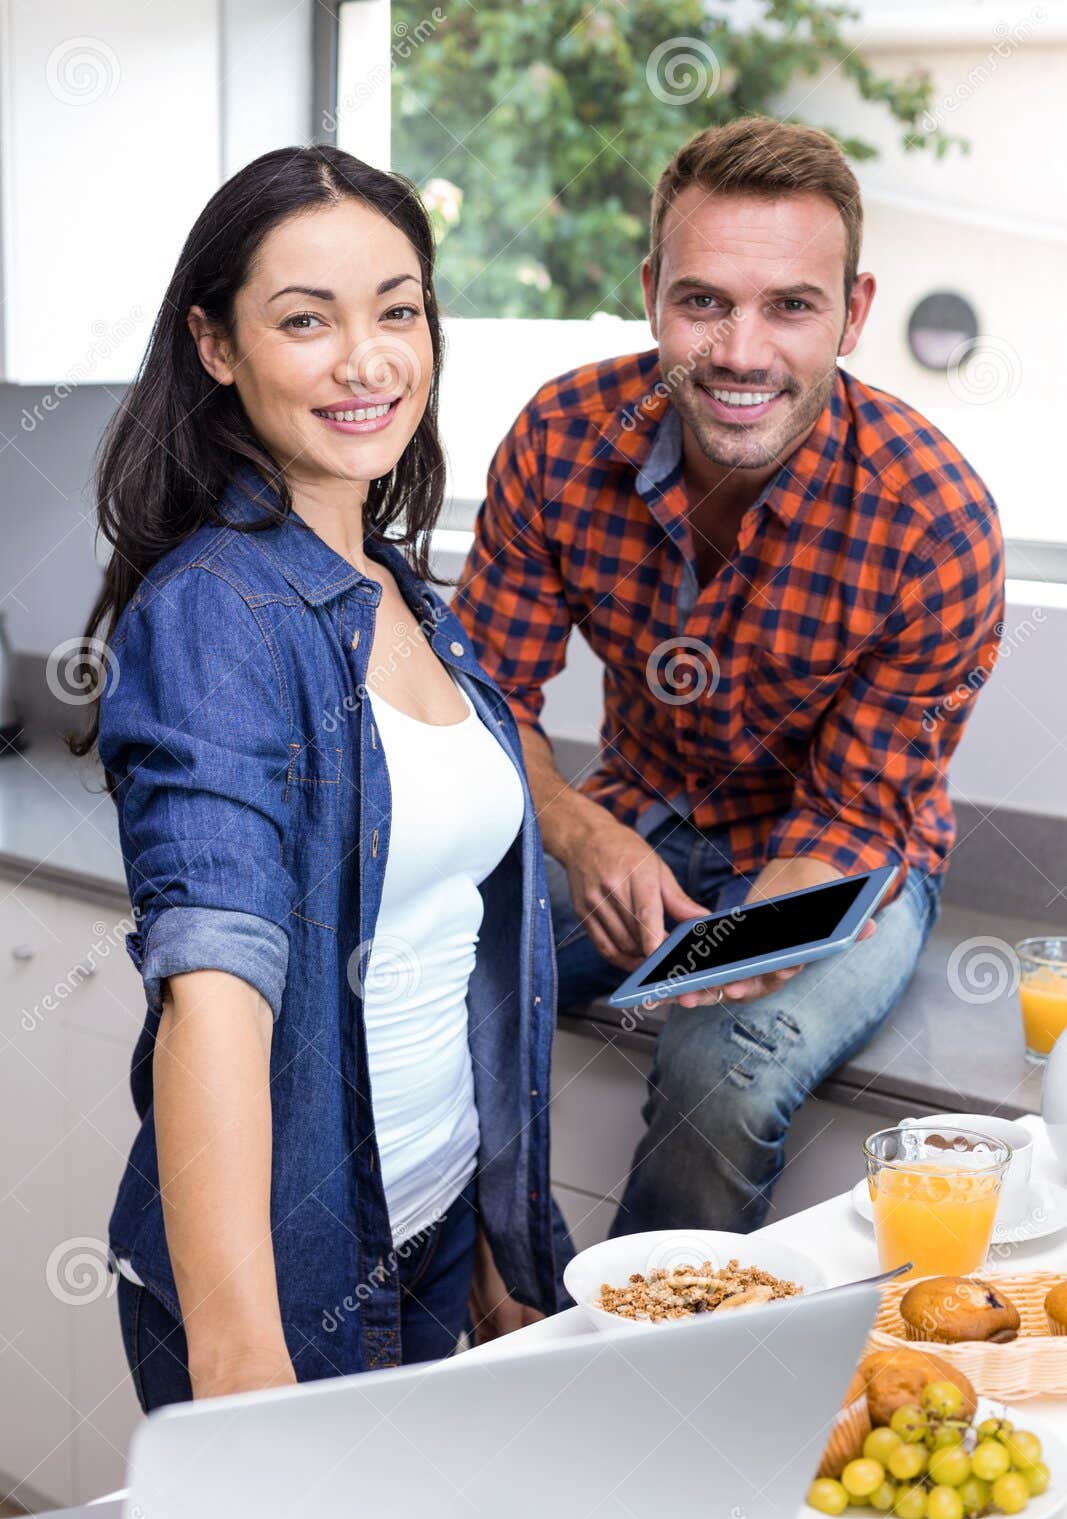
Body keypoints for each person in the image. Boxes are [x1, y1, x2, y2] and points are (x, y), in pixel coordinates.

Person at [71, 145, 570, 1409]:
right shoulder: (217, 614)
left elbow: (442, 942)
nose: (368, 359)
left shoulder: (400, 588)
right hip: (282, 1291)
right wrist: (244, 1364)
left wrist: (482, 1232)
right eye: (306, 320)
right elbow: (212, 990)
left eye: (397, 309)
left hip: (428, 1230)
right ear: (217, 345)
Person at [453, 115, 1005, 1237]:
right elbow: (479, 702)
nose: (741, 351)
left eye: (789, 306)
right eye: (704, 301)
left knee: (722, 1069)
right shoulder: (561, 438)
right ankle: (489, 1297)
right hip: (635, 812)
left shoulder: (933, 523)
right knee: (424, 973)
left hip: (841, 856)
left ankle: (625, 1386)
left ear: (850, 314)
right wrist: (575, 828)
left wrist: (732, 949)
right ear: (652, 291)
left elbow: (853, 815)